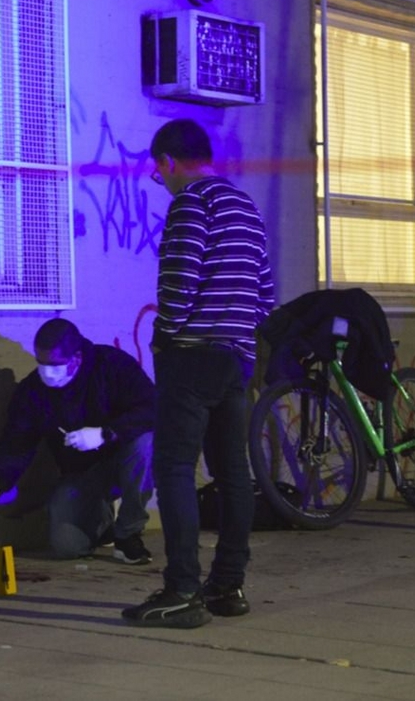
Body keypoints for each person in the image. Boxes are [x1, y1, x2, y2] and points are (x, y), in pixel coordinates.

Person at [121, 118, 275, 629]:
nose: (159, 180)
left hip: (190, 356)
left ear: (167, 161)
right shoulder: (246, 209)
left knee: (174, 469)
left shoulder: (192, 203)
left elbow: (179, 284)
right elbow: (266, 295)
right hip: (236, 357)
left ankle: (182, 590)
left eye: (157, 170)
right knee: (233, 473)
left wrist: (167, 336)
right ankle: (228, 586)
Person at [0, 318, 156, 563]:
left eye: (55, 364)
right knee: (68, 546)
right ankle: (104, 523)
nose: (47, 371)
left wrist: (104, 433)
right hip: (82, 473)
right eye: (40, 362)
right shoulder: (33, 391)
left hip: (124, 458)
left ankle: (129, 534)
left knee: (144, 444)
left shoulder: (111, 365)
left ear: (76, 357)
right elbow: (17, 442)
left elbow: (151, 409)